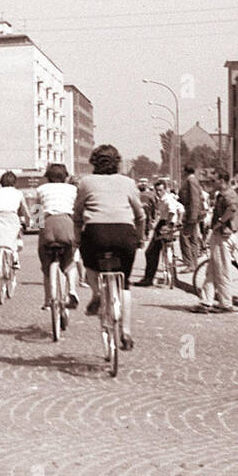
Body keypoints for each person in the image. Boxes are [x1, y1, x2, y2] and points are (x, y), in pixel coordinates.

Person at [73, 144, 146, 349]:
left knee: (90, 267)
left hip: (96, 234)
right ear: (118, 162)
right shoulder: (129, 182)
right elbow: (140, 215)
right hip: (124, 235)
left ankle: (96, 293)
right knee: (124, 282)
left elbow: (77, 215)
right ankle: (127, 332)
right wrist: (139, 238)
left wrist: (78, 239)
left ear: (94, 163)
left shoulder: (86, 182)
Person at [35, 163, 80, 309]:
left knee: (46, 264)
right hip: (66, 224)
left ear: (47, 177)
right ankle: (72, 290)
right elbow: (77, 211)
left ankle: (48, 300)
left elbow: (37, 215)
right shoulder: (73, 189)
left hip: (48, 225)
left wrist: (39, 230)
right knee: (70, 262)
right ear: (65, 177)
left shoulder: (41, 189)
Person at [196, 168, 238, 312]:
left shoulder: (228, 194)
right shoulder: (221, 194)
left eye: (214, 181)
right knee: (212, 270)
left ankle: (226, 304)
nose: (212, 183)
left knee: (221, 270)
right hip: (219, 234)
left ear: (222, 181)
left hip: (224, 235)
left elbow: (232, 209)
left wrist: (220, 222)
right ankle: (206, 302)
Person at [0, 171, 30, 291]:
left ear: (1, 182)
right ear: (14, 182)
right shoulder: (18, 194)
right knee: (14, 241)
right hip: (12, 218)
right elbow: (25, 210)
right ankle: (15, 259)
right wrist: (28, 223)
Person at [136, 179, 183, 286]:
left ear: (165, 189)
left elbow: (171, 211)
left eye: (161, 190)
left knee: (150, 252)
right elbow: (181, 208)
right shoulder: (165, 198)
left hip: (165, 224)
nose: (158, 192)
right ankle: (172, 275)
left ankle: (148, 279)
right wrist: (179, 219)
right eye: (157, 190)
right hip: (167, 223)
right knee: (166, 250)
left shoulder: (167, 199)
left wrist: (168, 224)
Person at [177, 165, 206, 268]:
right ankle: (193, 264)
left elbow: (195, 199)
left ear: (186, 171)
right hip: (191, 214)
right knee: (193, 239)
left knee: (184, 237)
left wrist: (193, 217)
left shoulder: (191, 180)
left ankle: (189, 263)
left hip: (191, 215)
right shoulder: (192, 180)